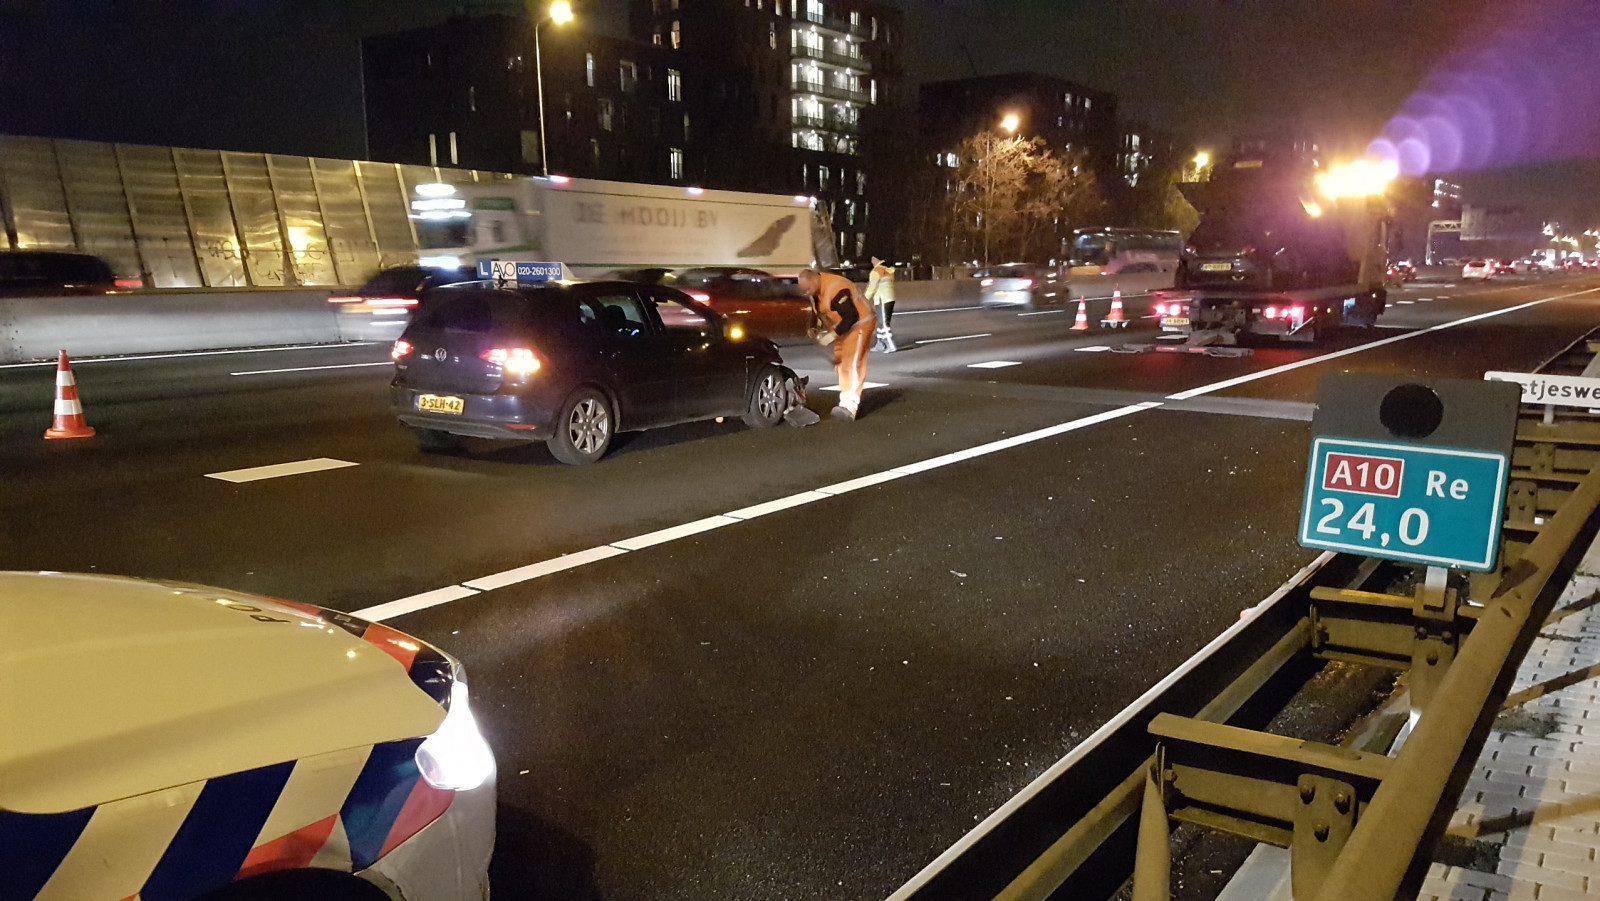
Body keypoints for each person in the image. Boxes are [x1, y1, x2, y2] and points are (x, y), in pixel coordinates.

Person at [799, 268, 875, 421]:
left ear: (815, 279)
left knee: (851, 363)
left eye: (808, 289)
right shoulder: (816, 290)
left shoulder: (837, 288)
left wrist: (832, 335)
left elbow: (851, 316)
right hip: (843, 327)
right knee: (840, 364)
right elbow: (818, 310)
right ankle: (845, 399)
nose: (807, 293)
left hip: (860, 324)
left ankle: (850, 406)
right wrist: (813, 327)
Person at [865, 256, 897, 353]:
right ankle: (880, 344)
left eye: (873, 259)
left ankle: (891, 346)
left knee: (884, 324)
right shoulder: (887, 270)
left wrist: (864, 298)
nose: (872, 261)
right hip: (889, 298)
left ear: (877, 260)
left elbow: (872, 287)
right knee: (880, 323)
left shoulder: (876, 271)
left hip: (882, 299)